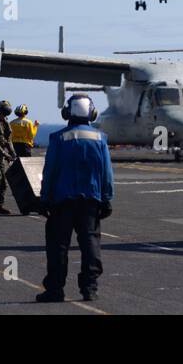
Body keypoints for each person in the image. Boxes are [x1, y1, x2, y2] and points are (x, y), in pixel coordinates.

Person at [36, 93, 114, 303]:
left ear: (67, 113)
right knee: (90, 244)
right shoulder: (100, 138)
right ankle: (90, 288)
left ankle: (55, 290)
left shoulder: (58, 138)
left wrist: (44, 198)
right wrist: (106, 198)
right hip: (90, 201)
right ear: (92, 113)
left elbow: (50, 171)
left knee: (58, 246)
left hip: (61, 201)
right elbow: (106, 172)